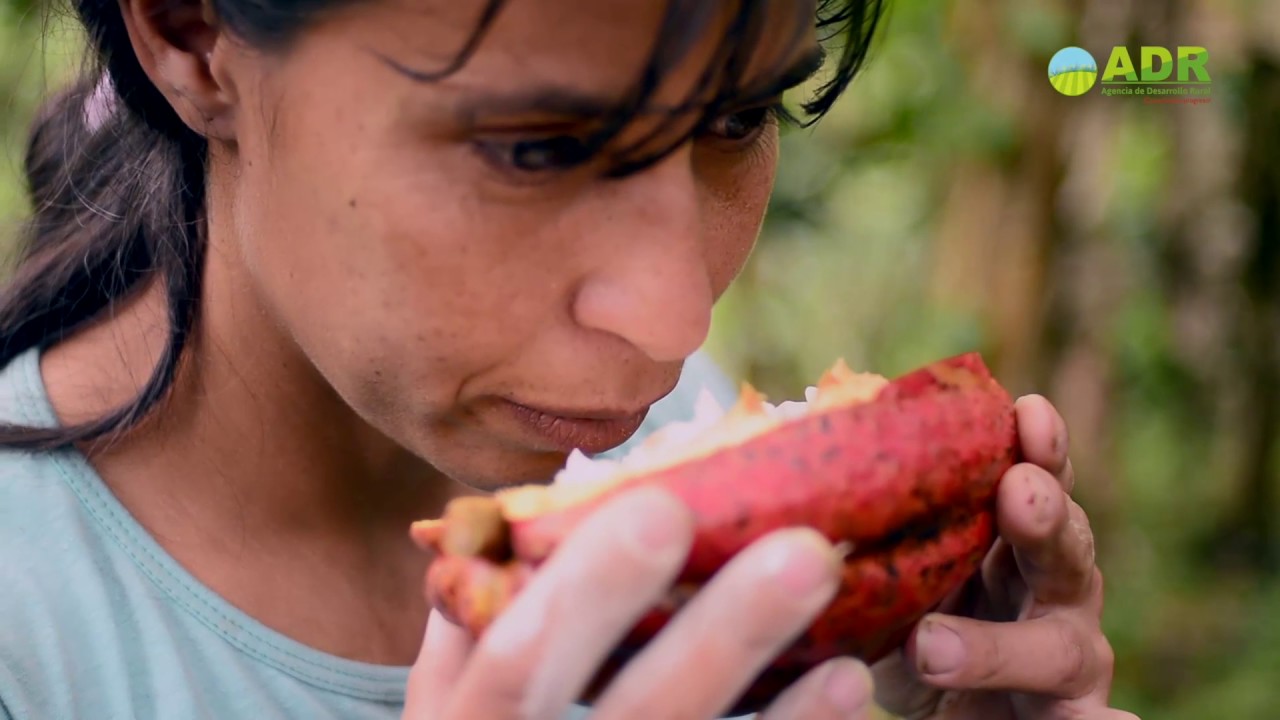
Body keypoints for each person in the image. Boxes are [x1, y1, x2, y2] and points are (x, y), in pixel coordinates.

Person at [0, 0, 1139, 718]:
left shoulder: (667, 449)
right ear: (192, 37)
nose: (673, 321)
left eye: (736, 120)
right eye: (536, 148)